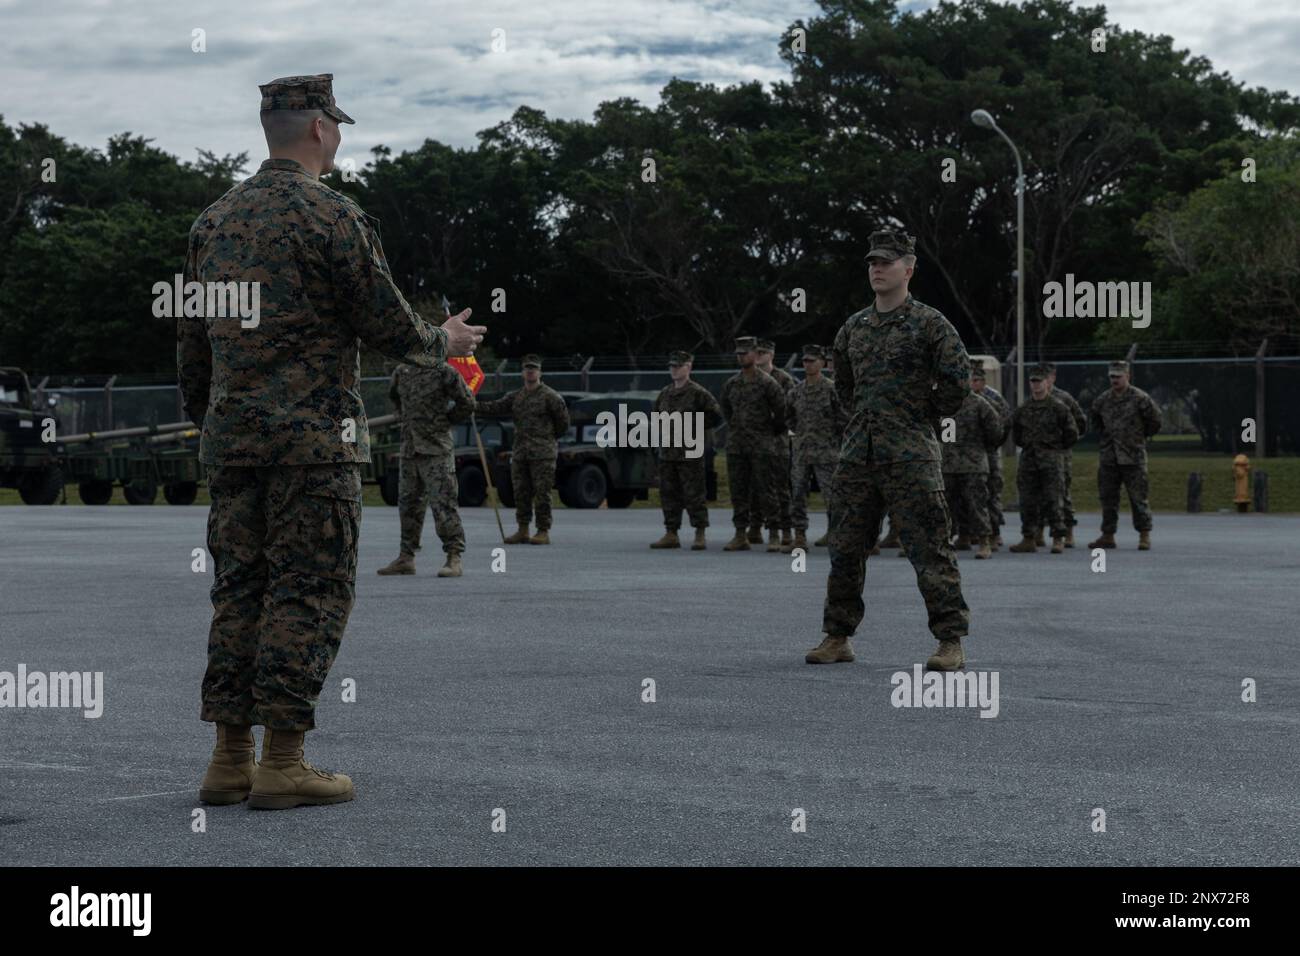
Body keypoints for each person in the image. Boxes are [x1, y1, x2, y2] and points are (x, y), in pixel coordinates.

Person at [180, 73, 485, 810]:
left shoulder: (212, 223)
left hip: (235, 444)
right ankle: (284, 762)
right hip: (314, 445)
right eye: (337, 125)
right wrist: (441, 340)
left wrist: (215, 423)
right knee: (307, 592)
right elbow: (387, 325)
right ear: (318, 128)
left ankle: (229, 759)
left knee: (238, 591)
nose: (340, 136)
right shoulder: (333, 216)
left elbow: (192, 349)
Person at [806, 228, 972, 670]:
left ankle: (950, 641)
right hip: (858, 455)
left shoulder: (931, 324)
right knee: (845, 549)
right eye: (871, 262)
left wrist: (919, 416)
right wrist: (864, 422)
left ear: (909, 268)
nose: (876, 268)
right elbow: (844, 388)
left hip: (911, 455)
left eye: (886, 261)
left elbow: (958, 383)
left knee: (930, 547)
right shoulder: (853, 328)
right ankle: (837, 636)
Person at [376, 361, 474, 577]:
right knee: (408, 504)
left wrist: (445, 421)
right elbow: (395, 397)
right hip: (410, 448)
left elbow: (467, 402)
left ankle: (454, 556)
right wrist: (404, 417)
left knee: (443, 504)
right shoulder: (402, 371)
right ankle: (406, 557)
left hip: (436, 448)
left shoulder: (444, 372)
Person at [474, 354, 570, 545]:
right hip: (520, 452)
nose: (530, 371)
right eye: (527, 368)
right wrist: (473, 406)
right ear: (522, 372)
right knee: (521, 492)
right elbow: (496, 407)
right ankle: (523, 529)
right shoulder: (517, 396)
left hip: (543, 453)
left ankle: (543, 530)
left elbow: (563, 423)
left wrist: (548, 440)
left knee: (542, 493)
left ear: (539, 372)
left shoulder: (550, 396)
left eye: (533, 368)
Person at [650, 350, 723, 550]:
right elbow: (656, 416)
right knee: (669, 493)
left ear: (688, 367)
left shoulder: (698, 393)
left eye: (678, 366)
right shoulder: (665, 393)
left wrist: (695, 428)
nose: (674, 370)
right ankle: (671, 532)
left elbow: (716, 415)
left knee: (694, 494)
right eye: (672, 366)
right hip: (668, 452)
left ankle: (700, 532)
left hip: (689, 452)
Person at [719, 336, 786, 552]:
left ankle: (774, 532)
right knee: (738, 491)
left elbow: (782, 412)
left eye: (745, 353)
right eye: (738, 353)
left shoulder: (768, 383)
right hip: (737, 446)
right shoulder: (732, 383)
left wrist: (768, 432)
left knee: (767, 490)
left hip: (762, 445)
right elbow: (726, 410)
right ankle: (740, 534)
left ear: (755, 354)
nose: (741, 356)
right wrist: (738, 429)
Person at [1088, 360, 1162, 550]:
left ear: (1127, 376)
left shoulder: (1140, 398)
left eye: (1118, 376)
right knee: (1108, 498)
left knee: (1138, 499)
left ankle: (1144, 535)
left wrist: (1138, 437)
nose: (1115, 380)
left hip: (1133, 457)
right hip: (1109, 458)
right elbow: (1095, 421)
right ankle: (1108, 535)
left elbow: (1155, 421)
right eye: (1112, 376)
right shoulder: (1103, 400)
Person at [1009, 365, 1079, 554]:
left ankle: (1058, 538)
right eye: (1033, 381)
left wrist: (1055, 448)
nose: (1036, 385)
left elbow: (1072, 433)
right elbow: (1016, 434)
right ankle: (1028, 538)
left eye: (1039, 381)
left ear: (1046, 382)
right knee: (1027, 501)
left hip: (1051, 460)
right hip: (1029, 461)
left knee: (1053, 500)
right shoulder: (1023, 409)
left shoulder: (1058, 407)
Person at [940, 362, 1004, 559]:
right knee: (947, 507)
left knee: (977, 504)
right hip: (948, 464)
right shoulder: (943, 404)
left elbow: (995, 431)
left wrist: (981, 448)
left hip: (973, 463)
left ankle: (984, 541)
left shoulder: (979, 404)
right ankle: (947, 541)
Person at [786, 344, 845, 553]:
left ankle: (835, 535)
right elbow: (790, 419)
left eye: (812, 361)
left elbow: (842, 420)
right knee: (798, 495)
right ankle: (799, 536)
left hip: (827, 452)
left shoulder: (831, 390)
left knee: (832, 496)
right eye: (805, 361)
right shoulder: (796, 392)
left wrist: (830, 441)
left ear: (822, 363)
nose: (808, 364)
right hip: (802, 452)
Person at [752, 339, 796, 551]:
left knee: (780, 489)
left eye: (762, 352)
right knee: (756, 489)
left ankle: (784, 531)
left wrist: (777, 426)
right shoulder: (750, 378)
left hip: (777, 443)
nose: (758, 356)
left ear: (771, 354)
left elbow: (790, 409)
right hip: (753, 443)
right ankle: (757, 528)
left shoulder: (783, 379)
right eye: (756, 352)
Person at [1043, 362, 1087, 547]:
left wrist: (1066, 443)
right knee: (1041, 494)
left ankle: (1068, 531)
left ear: (1053, 377)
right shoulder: (1037, 398)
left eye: (1046, 377)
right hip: (1040, 454)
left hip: (1061, 454)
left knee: (1063, 493)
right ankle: (1037, 533)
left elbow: (1080, 422)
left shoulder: (1064, 398)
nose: (1042, 382)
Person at [970, 364, 1011, 550]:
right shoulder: (962, 398)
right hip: (966, 455)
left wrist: (994, 445)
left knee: (992, 493)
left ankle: (994, 533)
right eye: (970, 380)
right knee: (969, 495)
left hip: (988, 452)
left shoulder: (992, 399)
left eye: (976, 380)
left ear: (983, 381)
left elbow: (1004, 424)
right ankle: (967, 532)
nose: (972, 384)